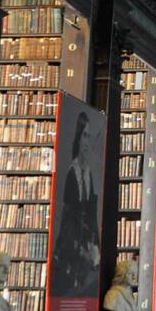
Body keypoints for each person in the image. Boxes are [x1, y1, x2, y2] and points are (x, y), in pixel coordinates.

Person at [50, 111, 102, 299]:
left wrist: (96, 244)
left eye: (89, 136)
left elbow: (91, 212)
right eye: (84, 136)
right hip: (71, 249)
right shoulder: (72, 174)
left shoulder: (87, 173)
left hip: (85, 247)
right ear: (78, 139)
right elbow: (68, 217)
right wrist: (83, 249)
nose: (87, 142)